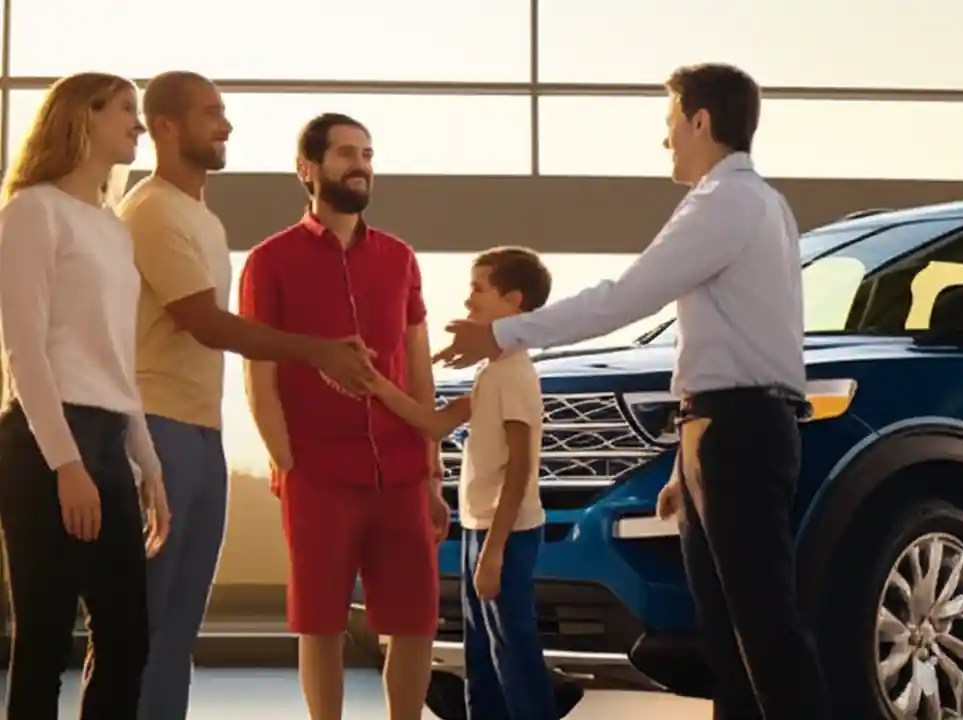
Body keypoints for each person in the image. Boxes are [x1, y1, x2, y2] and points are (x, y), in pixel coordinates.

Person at [433, 63, 830, 719]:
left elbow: (623, 298)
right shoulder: (762, 205)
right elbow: (741, 339)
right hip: (720, 431)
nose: (666, 138)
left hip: (736, 433)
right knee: (731, 632)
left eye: (671, 122)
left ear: (701, 121)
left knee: (761, 623)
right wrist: (685, 455)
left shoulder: (723, 202)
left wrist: (504, 332)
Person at [114, 72, 378, 720]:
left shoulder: (200, 216)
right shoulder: (149, 210)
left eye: (224, 113)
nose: (225, 125)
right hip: (156, 431)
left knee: (177, 632)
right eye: (211, 114)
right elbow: (205, 321)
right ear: (167, 127)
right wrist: (318, 351)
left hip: (201, 432)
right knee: (140, 624)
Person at [239, 112, 449, 720]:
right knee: (321, 622)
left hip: (403, 471)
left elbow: (417, 366)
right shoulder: (268, 261)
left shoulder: (401, 259)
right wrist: (286, 462)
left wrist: (432, 472)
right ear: (309, 168)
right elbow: (259, 371)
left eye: (368, 153)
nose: (360, 164)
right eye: (346, 153)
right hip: (318, 472)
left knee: (414, 621)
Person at [0, 72, 171, 720]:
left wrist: (146, 463)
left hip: (108, 440)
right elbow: (25, 352)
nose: (138, 122)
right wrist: (65, 463)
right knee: (44, 642)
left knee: (127, 639)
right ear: (82, 116)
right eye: (126, 109)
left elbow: (117, 361)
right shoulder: (30, 210)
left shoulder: (111, 228)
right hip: (46, 441)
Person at [373, 246, 561, 720]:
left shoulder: (515, 374)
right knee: (482, 657)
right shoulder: (490, 371)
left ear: (513, 301)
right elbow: (434, 425)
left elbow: (520, 468)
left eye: (479, 289)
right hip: (479, 528)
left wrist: (495, 551)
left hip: (507, 534)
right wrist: (376, 385)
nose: (468, 300)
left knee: (513, 654)